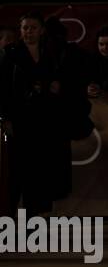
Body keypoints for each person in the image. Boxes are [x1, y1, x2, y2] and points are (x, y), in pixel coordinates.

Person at [0, 14, 77, 216]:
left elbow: (63, 80)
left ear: (41, 30)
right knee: (16, 171)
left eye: (33, 28)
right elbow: (3, 89)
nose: (28, 32)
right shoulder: (10, 54)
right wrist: (6, 118)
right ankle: (8, 218)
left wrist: (58, 87)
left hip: (46, 122)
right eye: (25, 28)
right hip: (19, 121)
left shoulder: (51, 53)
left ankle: (36, 218)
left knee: (41, 172)